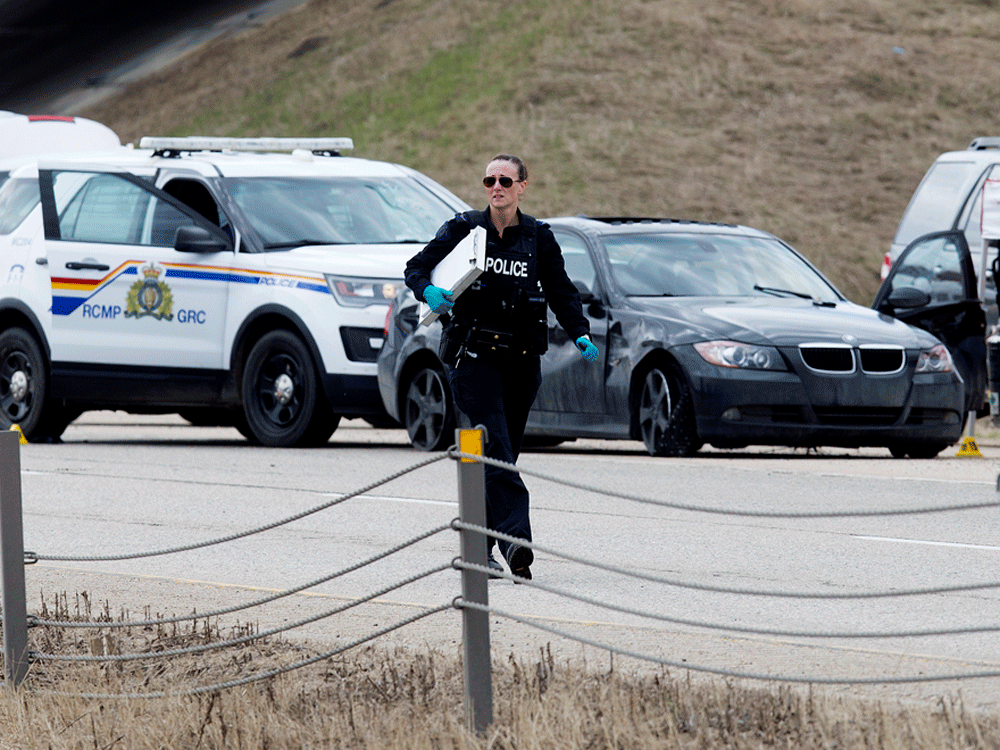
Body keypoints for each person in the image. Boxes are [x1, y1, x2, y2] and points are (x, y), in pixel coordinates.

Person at [404, 154, 599, 581]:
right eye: (490, 179)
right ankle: (516, 543)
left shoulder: (538, 237)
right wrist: (430, 291)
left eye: (506, 180)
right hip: (473, 360)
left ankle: (479, 548)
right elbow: (415, 267)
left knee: (502, 455)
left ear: (522, 187)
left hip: (522, 363)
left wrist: (579, 330)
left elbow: (562, 290)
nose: (497, 187)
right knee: (495, 448)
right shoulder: (463, 228)